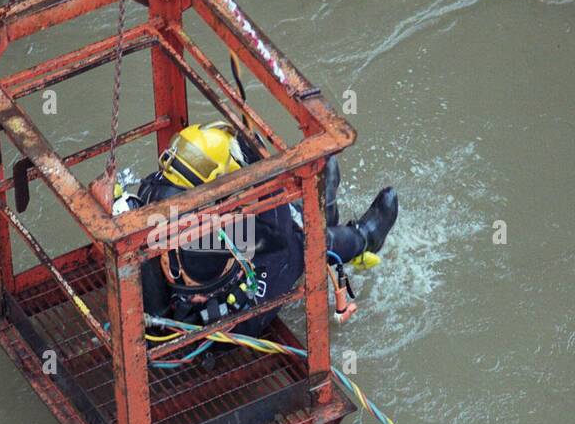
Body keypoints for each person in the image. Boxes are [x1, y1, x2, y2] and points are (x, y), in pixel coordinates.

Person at [122, 121, 398, 338]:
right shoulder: (202, 238)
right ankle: (362, 238)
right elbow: (276, 236)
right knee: (295, 247)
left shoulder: (154, 188)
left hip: (182, 300)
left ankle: (325, 208)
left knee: (286, 228)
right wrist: (260, 166)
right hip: (223, 329)